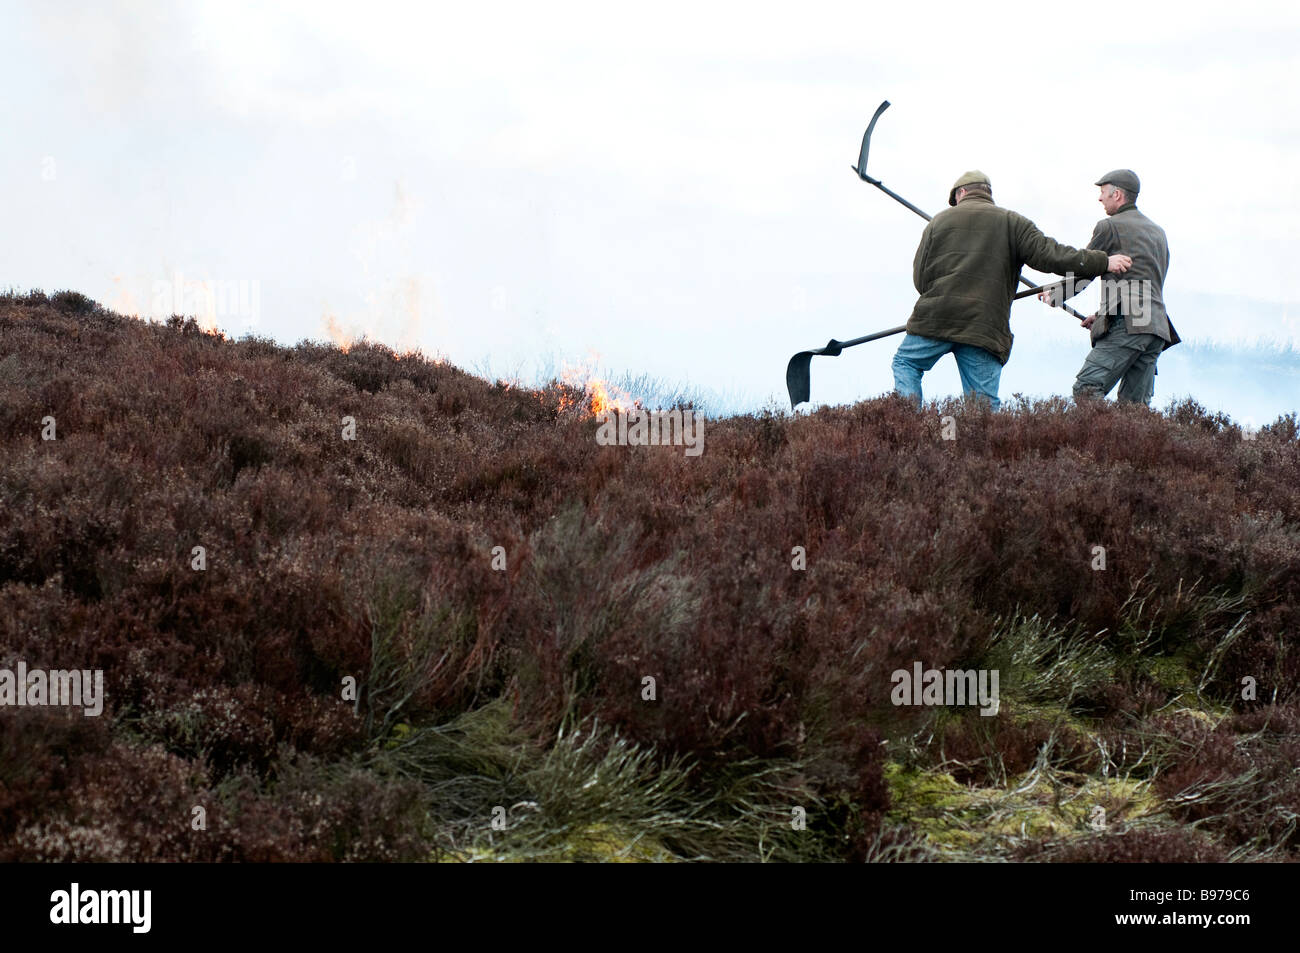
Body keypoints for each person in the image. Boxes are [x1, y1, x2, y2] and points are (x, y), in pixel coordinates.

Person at [893, 171, 1131, 410]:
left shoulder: (938, 222)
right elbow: (1053, 256)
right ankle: (982, 445)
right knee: (982, 409)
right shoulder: (1012, 222)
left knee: (906, 363)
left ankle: (907, 425)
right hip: (985, 326)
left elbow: (921, 279)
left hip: (936, 317)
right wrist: (1103, 262)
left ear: (961, 193)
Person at [1040, 170, 1180, 405]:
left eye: (1103, 193)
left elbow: (1087, 269)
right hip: (1156, 326)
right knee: (1134, 408)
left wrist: (1056, 294)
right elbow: (1145, 284)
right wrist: (1105, 316)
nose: (1099, 198)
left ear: (1117, 195)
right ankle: (1128, 442)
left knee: (1086, 389)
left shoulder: (1109, 227)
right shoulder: (1159, 233)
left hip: (1130, 321)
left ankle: (1098, 441)